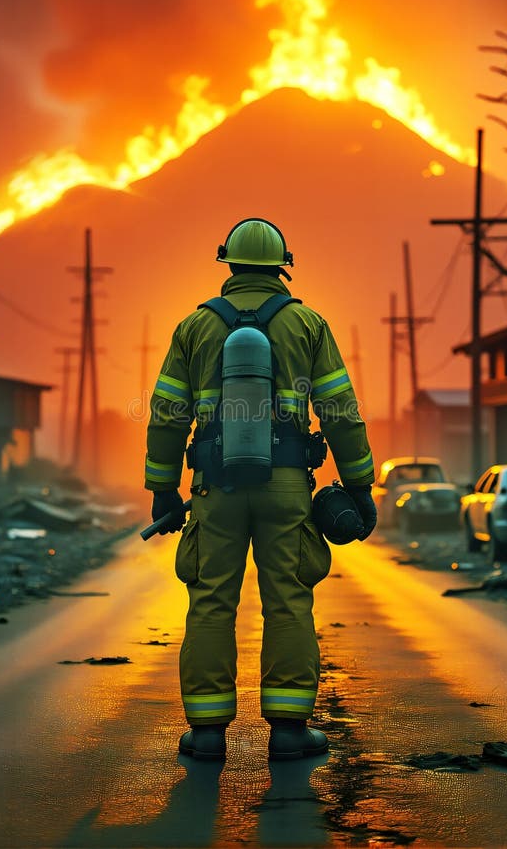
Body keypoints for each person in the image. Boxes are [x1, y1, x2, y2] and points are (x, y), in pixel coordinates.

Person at [145, 218, 377, 761]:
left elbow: (166, 415)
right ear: (281, 267)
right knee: (290, 601)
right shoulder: (307, 324)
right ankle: (290, 733)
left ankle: (206, 735)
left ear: (228, 265)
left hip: (214, 490)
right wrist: (360, 484)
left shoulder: (194, 328)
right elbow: (340, 410)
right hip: (288, 486)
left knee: (209, 602)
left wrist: (162, 488)